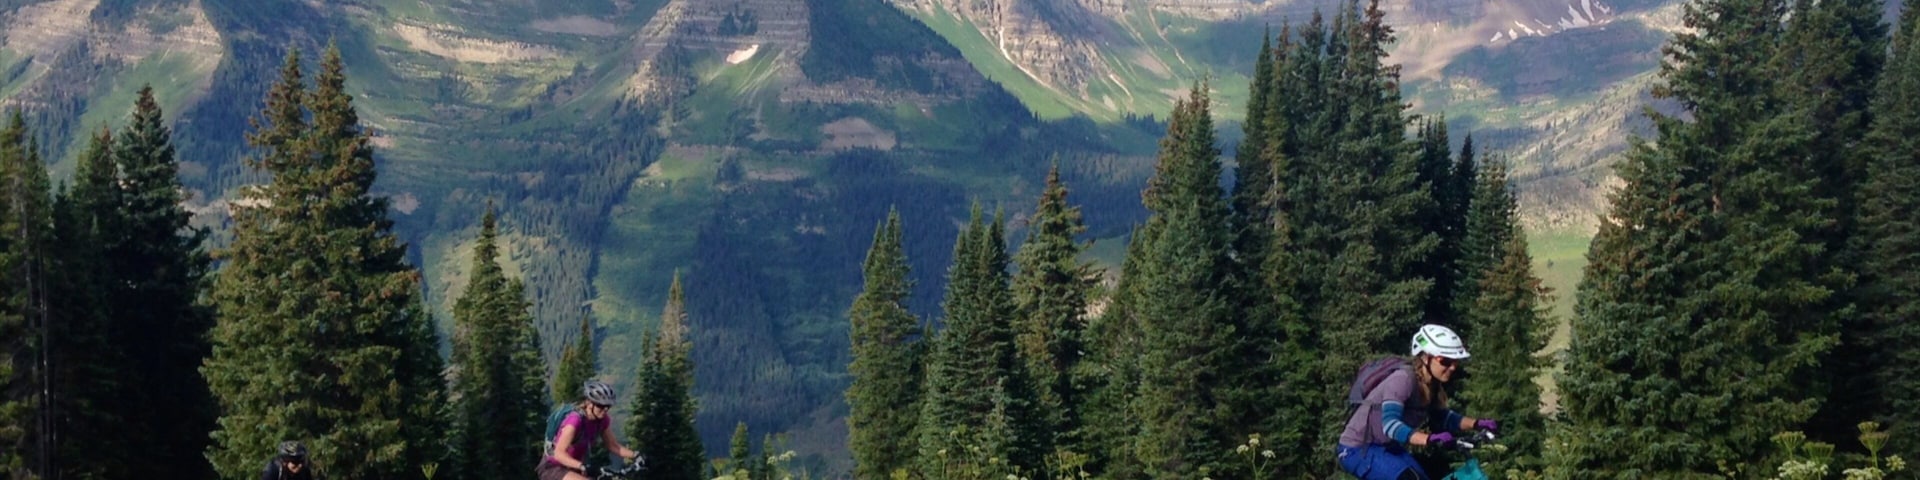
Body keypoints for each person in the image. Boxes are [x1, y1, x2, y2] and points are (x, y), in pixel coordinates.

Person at [1336, 324, 1500, 480]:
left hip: (1387, 447)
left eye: (1455, 363)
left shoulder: (1431, 385)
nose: (1452, 367)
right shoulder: (1403, 379)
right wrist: (1429, 439)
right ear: (1426, 358)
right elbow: (1390, 425)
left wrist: (1477, 424)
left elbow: (1442, 417)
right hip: (1358, 448)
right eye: (1445, 361)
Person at [538, 380, 640, 480]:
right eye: (600, 406)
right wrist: (582, 466)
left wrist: (636, 455)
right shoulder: (574, 421)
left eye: (608, 406)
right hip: (553, 467)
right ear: (589, 403)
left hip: (574, 468)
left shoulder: (602, 420)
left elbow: (613, 446)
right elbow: (559, 454)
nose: (605, 410)